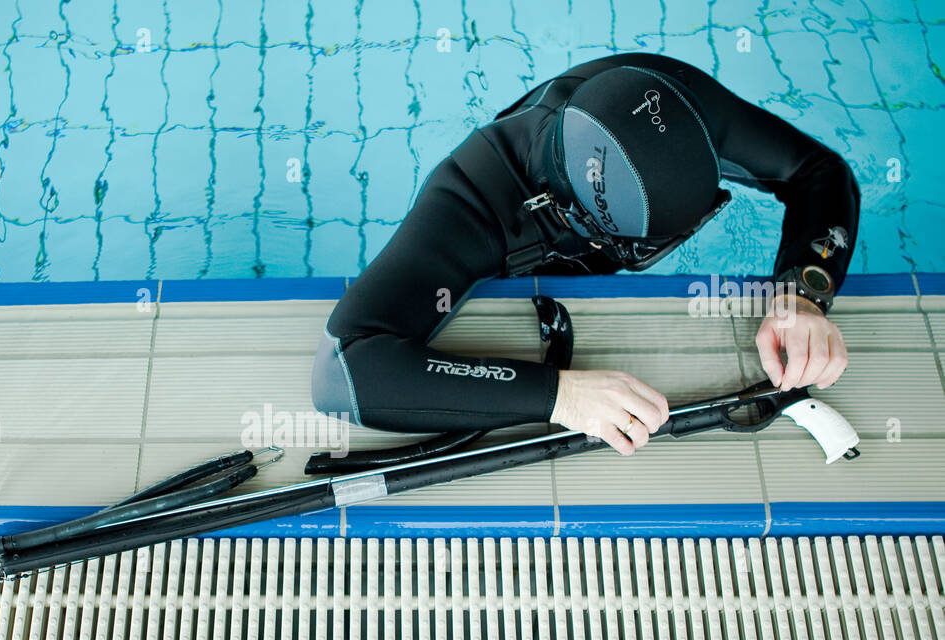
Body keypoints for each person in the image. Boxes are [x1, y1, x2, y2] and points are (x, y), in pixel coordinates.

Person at [311, 52, 861, 455]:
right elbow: (344, 371)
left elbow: (819, 172)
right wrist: (561, 396)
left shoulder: (668, 99)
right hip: (503, 226)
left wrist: (801, 295)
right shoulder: (467, 203)